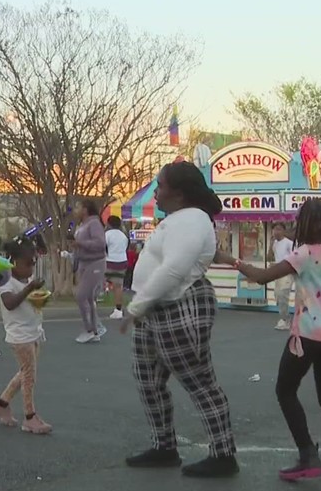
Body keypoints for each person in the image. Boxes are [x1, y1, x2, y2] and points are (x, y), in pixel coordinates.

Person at [229, 198, 321, 488]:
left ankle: (308, 456)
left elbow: (262, 277)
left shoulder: (303, 254)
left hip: (305, 336)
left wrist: (233, 261)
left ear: (311, 223)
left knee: (285, 390)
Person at [121, 161, 238, 478]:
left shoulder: (193, 220)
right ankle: (164, 446)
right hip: (155, 309)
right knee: (148, 380)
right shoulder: (180, 219)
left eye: (160, 185)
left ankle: (223, 454)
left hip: (177, 306)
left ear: (180, 193)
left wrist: (135, 307)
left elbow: (173, 269)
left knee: (200, 382)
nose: (156, 192)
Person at [0, 237, 52, 435]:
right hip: (19, 336)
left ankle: (2, 403)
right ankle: (30, 417)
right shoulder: (7, 283)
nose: (32, 267)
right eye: (28, 263)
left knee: (25, 373)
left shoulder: (26, 280)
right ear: (13, 262)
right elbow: (10, 303)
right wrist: (29, 289)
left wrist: (37, 295)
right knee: (29, 376)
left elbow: (27, 301)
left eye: (34, 262)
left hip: (33, 332)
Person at [72, 200, 107, 343]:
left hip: (95, 263)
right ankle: (94, 329)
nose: (75, 210)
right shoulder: (82, 225)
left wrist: (80, 243)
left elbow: (100, 243)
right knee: (87, 298)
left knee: (82, 296)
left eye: (78, 206)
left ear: (85, 209)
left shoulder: (94, 223)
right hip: (84, 263)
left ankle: (91, 329)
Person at [105, 216, 130, 320]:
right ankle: (118, 310)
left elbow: (103, 247)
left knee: (99, 282)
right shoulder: (123, 236)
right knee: (118, 286)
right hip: (122, 261)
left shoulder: (107, 234)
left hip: (110, 261)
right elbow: (126, 247)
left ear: (109, 224)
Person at [270, 223, 294, 331]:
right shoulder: (274, 243)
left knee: (283, 294)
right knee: (277, 296)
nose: (276, 232)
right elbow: (270, 256)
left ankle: (285, 319)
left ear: (284, 231)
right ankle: (284, 317)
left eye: (279, 229)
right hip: (277, 273)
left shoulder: (289, 243)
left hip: (287, 273)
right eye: (275, 229)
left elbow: (294, 258)